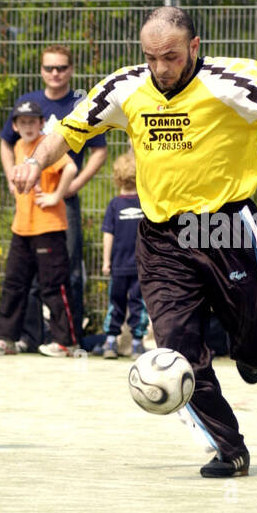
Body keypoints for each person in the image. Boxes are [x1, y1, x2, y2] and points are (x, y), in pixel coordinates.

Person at [12, 6, 257, 478]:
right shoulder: (126, 87)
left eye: (171, 56)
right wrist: (36, 162)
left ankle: (254, 353)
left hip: (223, 227)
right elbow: (68, 129)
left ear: (194, 47)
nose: (161, 68)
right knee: (178, 350)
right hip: (162, 237)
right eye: (151, 57)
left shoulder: (229, 82)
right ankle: (229, 448)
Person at [0, 45, 106, 339]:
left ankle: (70, 338)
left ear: (71, 70)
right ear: (41, 71)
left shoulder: (80, 103)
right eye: (49, 68)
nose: (55, 73)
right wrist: (12, 176)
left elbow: (99, 151)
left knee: (67, 269)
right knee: (24, 271)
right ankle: (31, 337)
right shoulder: (28, 104)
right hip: (30, 200)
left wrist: (72, 186)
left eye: (61, 68)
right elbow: (6, 142)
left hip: (62, 199)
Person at [0, 99, 78, 357]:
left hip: (48, 226)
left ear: (41, 124)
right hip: (22, 228)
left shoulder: (46, 147)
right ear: (15, 125)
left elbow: (71, 168)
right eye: (22, 122)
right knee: (14, 283)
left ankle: (65, 342)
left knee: (54, 285)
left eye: (32, 121)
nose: (27, 126)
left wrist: (56, 197)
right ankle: (6, 338)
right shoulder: (17, 146)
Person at [100, 151, 147, 359]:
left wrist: (105, 261)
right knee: (135, 304)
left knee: (117, 303)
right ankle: (125, 342)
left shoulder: (124, 204)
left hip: (128, 265)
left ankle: (115, 341)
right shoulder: (120, 204)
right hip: (134, 266)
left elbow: (107, 236)